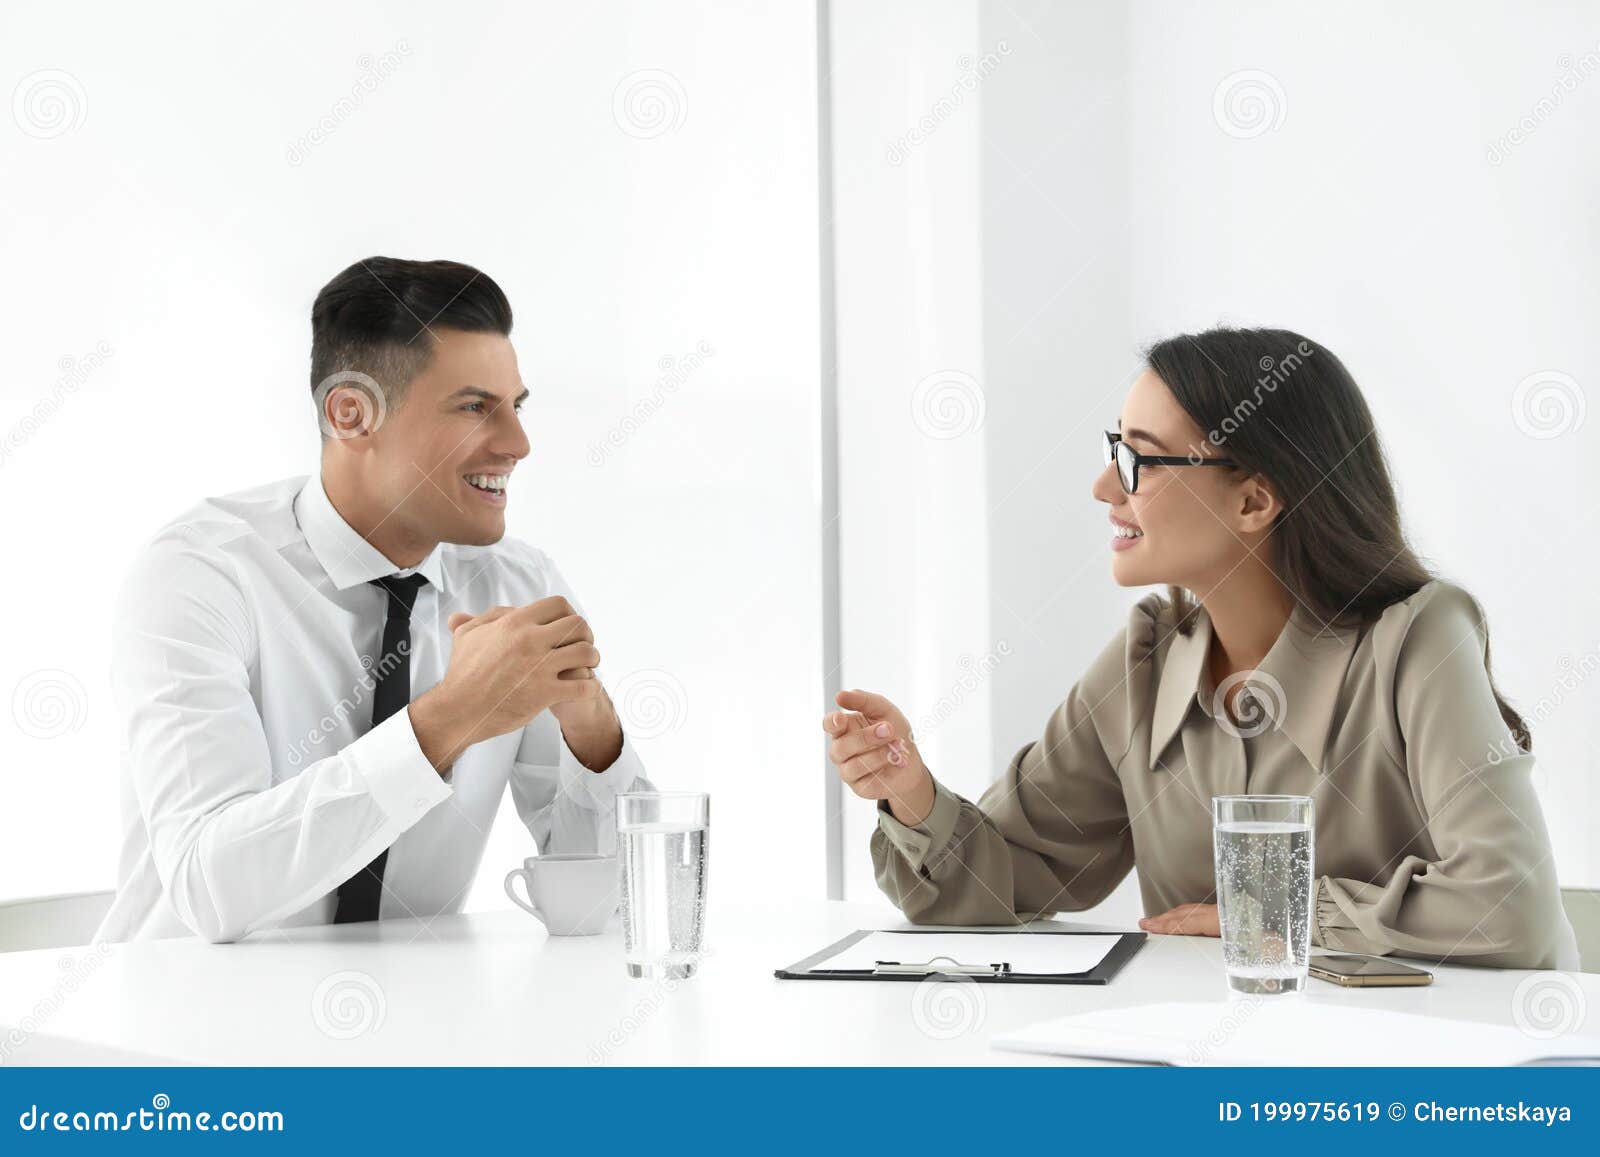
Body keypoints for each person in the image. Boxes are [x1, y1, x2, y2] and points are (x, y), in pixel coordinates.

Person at [825, 326, 1576, 970]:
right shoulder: (1146, 663)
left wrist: (1275, 912)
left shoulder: (1419, 638)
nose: (1102, 487)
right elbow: (1001, 883)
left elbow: (1509, 907)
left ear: (1254, 499)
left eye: (1138, 460)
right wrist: (911, 788)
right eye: (1115, 450)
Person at [97, 256, 652, 943]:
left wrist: (591, 730)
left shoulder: (518, 583)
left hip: (406, 1031)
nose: (518, 443)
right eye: (476, 406)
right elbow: (210, 887)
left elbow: (610, 911)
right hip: (177, 1034)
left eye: (517, 406)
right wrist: (450, 717)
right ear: (351, 413)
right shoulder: (200, 576)